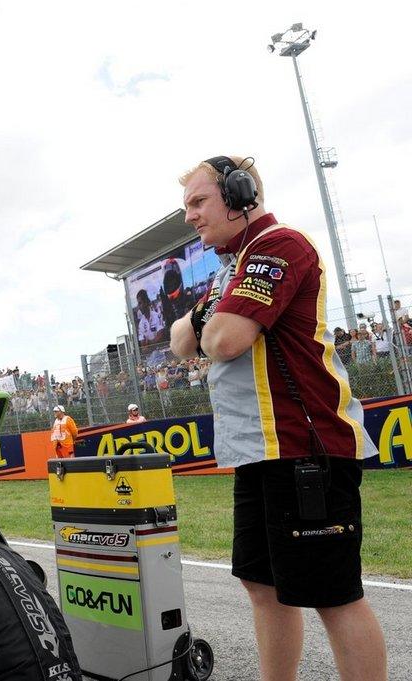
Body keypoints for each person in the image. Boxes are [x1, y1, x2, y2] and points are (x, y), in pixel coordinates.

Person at [171, 155, 386, 681]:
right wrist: (207, 317)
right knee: (263, 587)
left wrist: (207, 323)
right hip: (259, 452)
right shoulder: (232, 266)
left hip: (303, 447)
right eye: (186, 207)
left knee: (335, 597)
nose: (190, 217)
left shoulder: (277, 246)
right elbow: (181, 342)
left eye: (199, 202)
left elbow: (223, 340)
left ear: (242, 195)